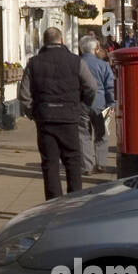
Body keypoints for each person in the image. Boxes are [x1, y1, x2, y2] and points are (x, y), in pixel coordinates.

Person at [18, 27, 97, 199]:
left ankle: (53, 203)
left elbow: (24, 94)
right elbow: (91, 86)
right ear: (61, 41)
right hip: (69, 117)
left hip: (45, 118)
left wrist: (33, 113)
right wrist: (82, 104)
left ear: (44, 42)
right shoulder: (76, 61)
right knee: (73, 161)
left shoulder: (33, 63)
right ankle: (74, 201)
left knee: (50, 163)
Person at [78, 35, 115, 173]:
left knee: (83, 135)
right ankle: (101, 163)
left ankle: (86, 166)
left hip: (81, 103)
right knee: (102, 134)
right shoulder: (103, 65)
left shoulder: (77, 63)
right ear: (96, 48)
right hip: (101, 103)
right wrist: (112, 104)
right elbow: (110, 86)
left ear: (81, 49)